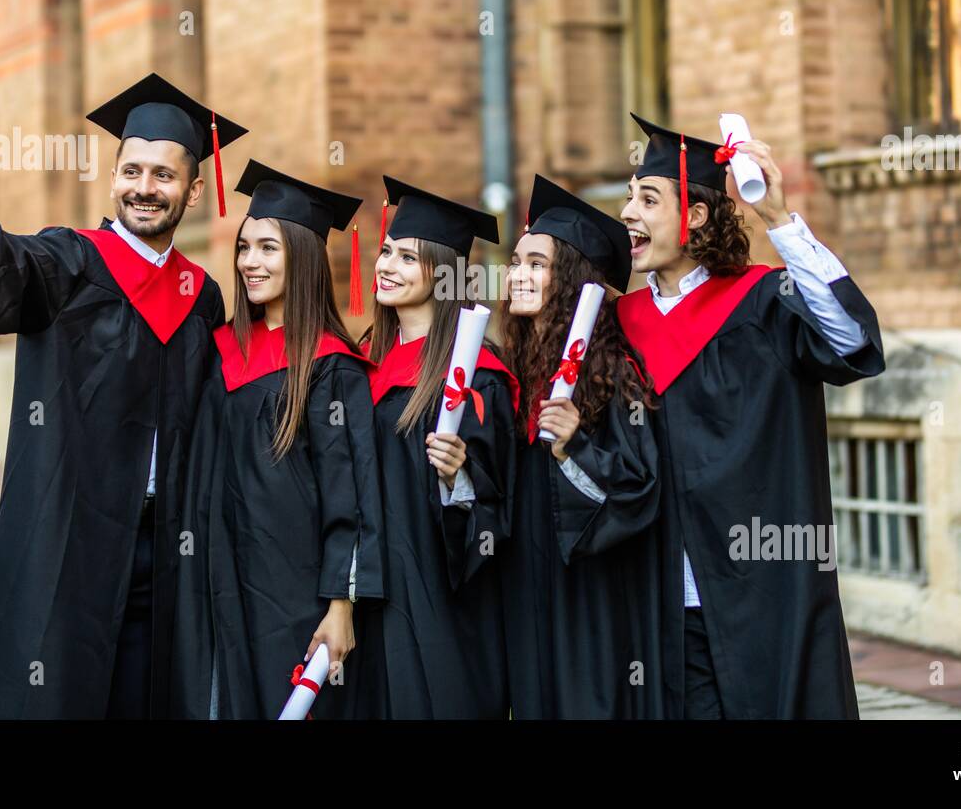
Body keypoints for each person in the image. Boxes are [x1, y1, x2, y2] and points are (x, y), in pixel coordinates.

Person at [0, 72, 247, 718]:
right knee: (59, 678)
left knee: (148, 682)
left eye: (162, 175)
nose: (144, 189)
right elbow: (11, 262)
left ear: (193, 189)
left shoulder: (203, 295)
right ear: (113, 177)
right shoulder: (72, 262)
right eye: (132, 171)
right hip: (74, 527)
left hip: (170, 532)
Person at [617, 112, 885, 718]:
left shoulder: (762, 303)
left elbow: (849, 343)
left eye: (648, 198)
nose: (629, 213)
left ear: (698, 214)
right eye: (629, 197)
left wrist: (779, 219)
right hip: (654, 598)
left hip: (758, 592)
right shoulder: (620, 325)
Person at [171, 162, 385, 719]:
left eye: (268, 248)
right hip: (217, 575)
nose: (249, 262)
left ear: (303, 256)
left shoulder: (331, 367)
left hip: (292, 588)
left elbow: (352, 497)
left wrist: (341, 604)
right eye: (244, 248)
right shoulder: (219, 351)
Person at [499, 174, 664, 719]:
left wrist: (574, 448)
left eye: (537, 264)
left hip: (588, 593)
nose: (519, 275)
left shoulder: (614, 375)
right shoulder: (509, 372)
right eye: (517, 262)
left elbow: (639, 489)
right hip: (526, 583)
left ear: (569, 280)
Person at [356, 176, 518, 719]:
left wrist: (458, 480)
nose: (386, 265)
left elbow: (498, 509)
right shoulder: (359, 365)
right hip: (364, 593)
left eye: (407, 257)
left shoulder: (477, 377)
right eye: (386, 251)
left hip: (439, 601)